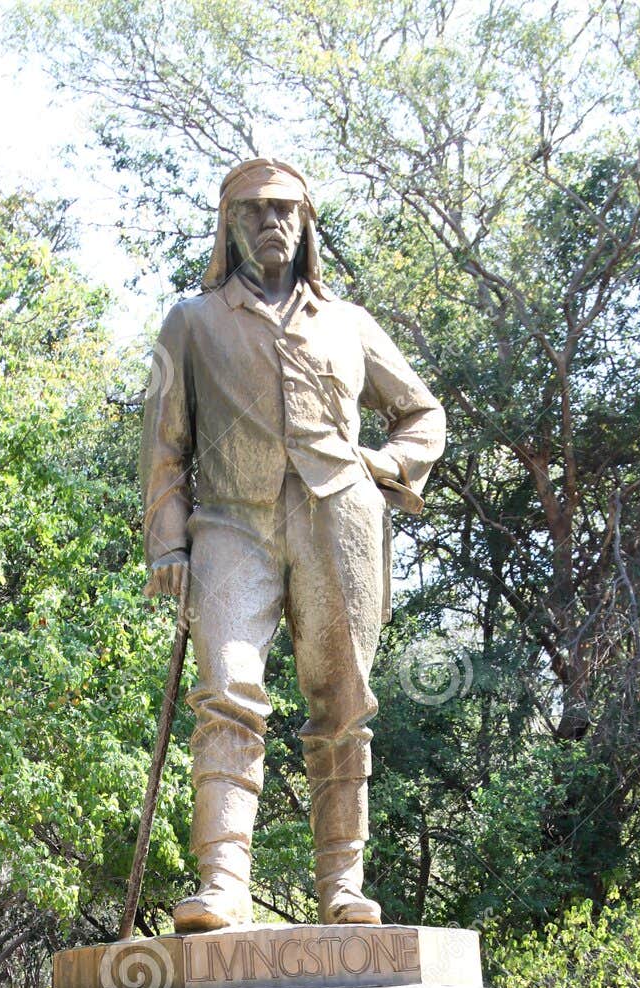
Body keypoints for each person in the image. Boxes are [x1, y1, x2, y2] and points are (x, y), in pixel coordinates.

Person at [141, 157, 445, 933]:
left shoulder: (348, 323)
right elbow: (164, 446)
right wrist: (166, 546)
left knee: (342, 702)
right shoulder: (191, 322)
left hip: (338, 521)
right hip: (229, 524)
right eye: (252, 210)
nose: (269, 221)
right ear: (229, 226)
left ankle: (342, 886)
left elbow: (421, 413)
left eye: (283, 209)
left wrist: (382, 466)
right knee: (227, 691)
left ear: (305, 222)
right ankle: (222, 884)